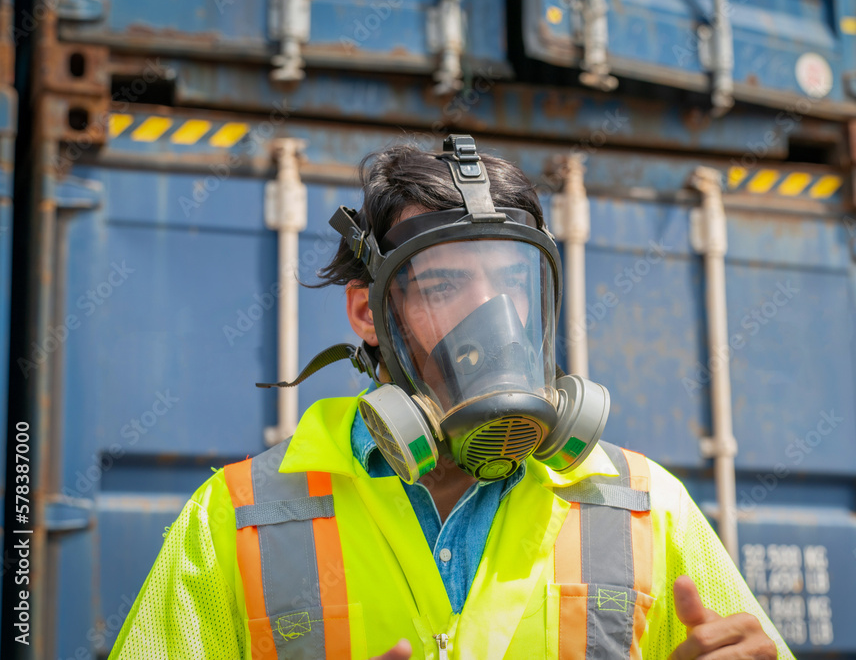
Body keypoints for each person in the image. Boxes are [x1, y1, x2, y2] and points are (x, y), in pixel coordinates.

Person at [110, 135, 793, 659]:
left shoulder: (646, 506)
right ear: (367, 313)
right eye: (443, 287)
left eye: (510, 282)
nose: (489, 314)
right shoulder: (237, 521)